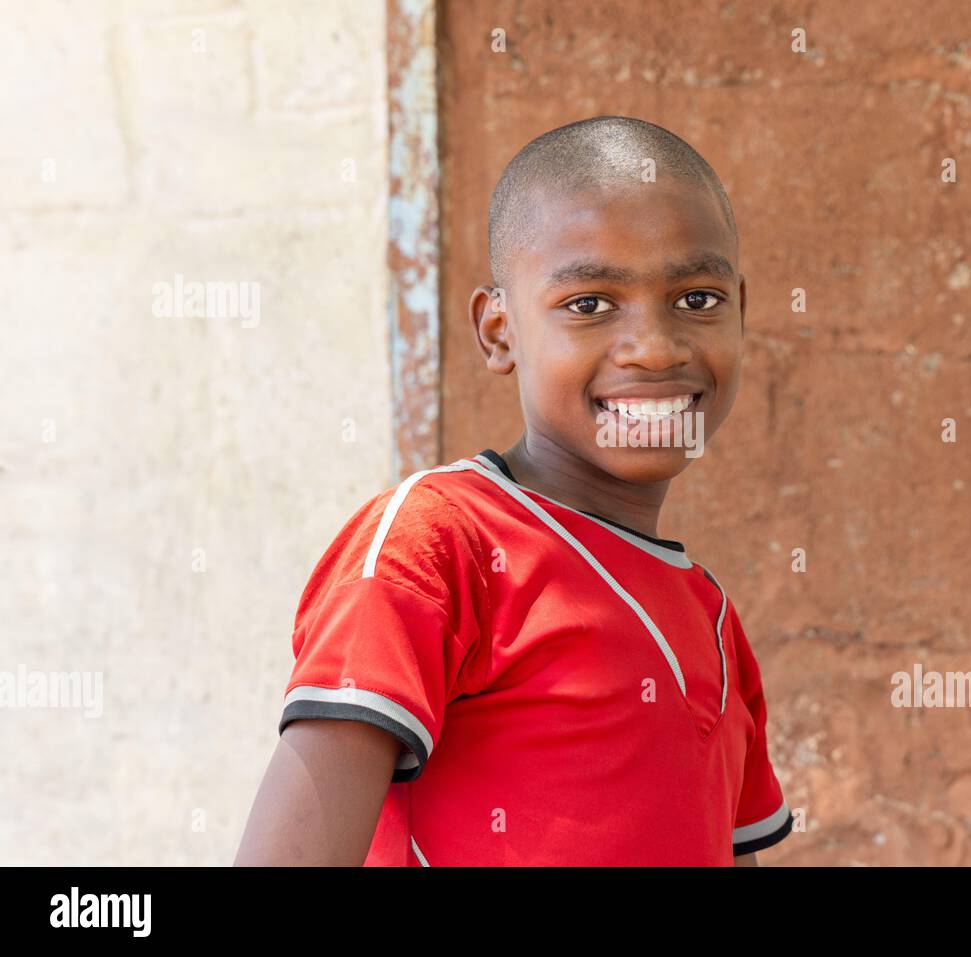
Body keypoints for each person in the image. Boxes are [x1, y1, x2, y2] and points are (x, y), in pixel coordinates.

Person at [235, 115, 793, 866]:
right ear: (499, 332)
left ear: (743, 312)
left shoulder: (713, 619)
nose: (656, 347)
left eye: (696, 299)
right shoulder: (435, 544)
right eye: (589, 303)